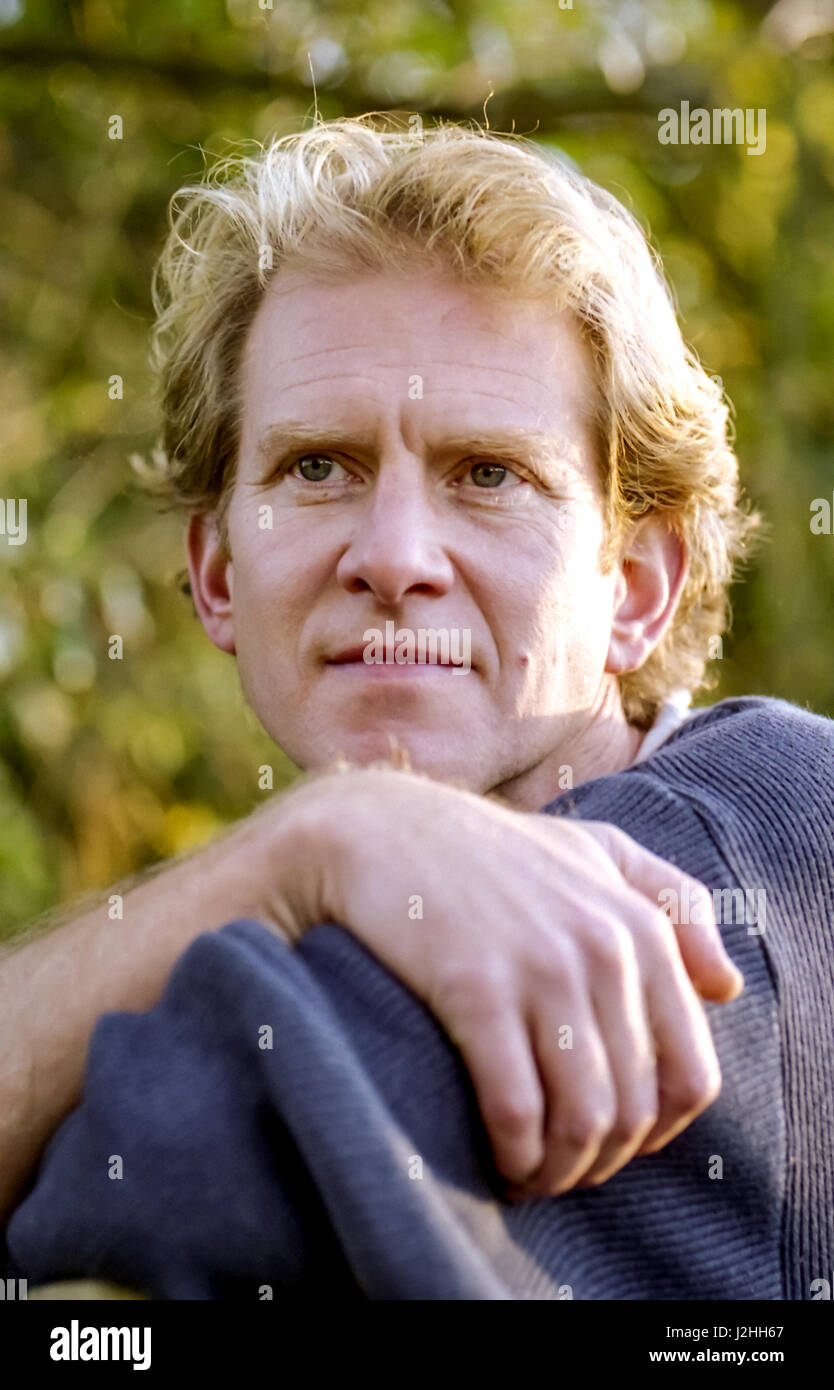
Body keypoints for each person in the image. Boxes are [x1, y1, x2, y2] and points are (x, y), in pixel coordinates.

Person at [1, 117, 832, 1300]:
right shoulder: (313, 902)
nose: (393, 557)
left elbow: (159, 1175)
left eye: (488, 474)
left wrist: (304, 850)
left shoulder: (770, 838)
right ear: (218, 573)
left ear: (636, 587)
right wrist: (303, 848)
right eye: (317, 467)